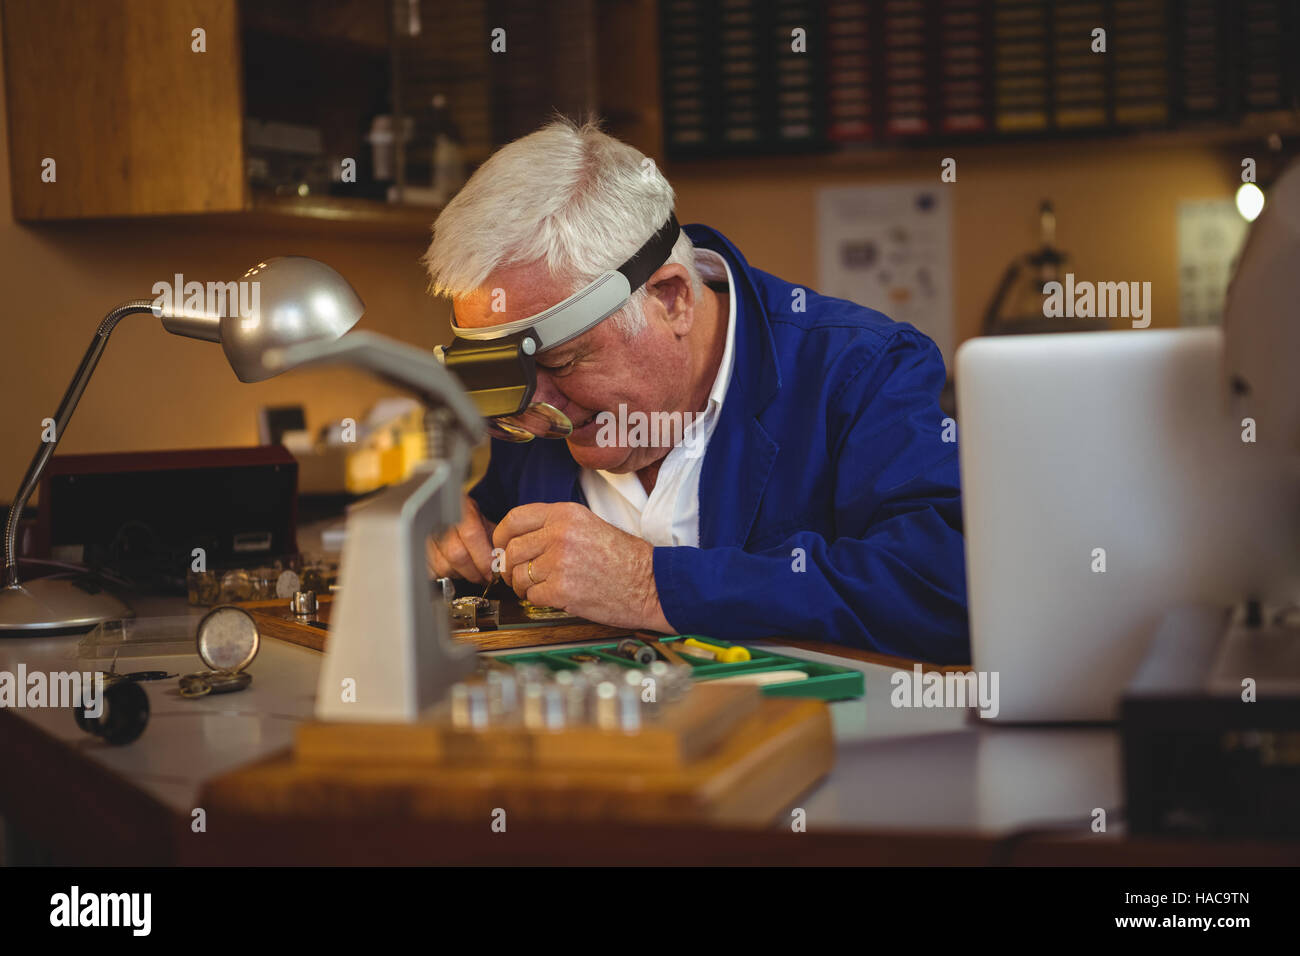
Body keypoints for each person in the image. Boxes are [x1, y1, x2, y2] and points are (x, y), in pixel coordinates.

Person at [424, 118, 969, 662]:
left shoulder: (858, 371)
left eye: (564, 361)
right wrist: (453, 545)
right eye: (509, 383)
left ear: (671, 299)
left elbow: (943, 586)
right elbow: (482, 539)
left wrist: (651, 584)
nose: (538, 414)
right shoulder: (542, 408)